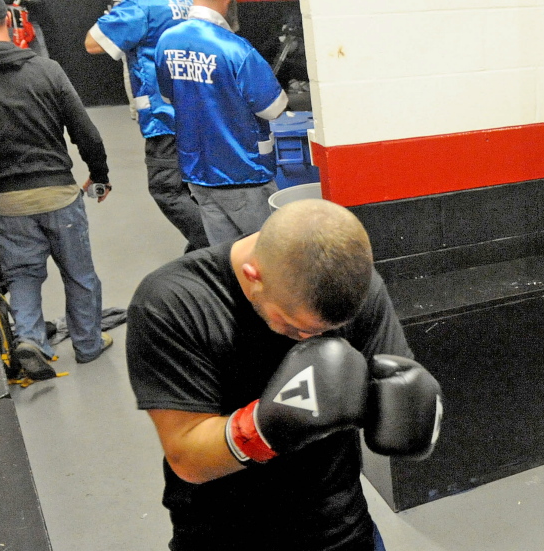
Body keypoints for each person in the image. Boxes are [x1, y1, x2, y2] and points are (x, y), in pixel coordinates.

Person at [126, 198, 440, 550]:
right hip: (223, 537)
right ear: (253, 275)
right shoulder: (173, 303)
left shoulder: (357, 284)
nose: (312, 340)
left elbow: (400, 387)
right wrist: (267, 425)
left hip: (340, 531)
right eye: (295, 328)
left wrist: (410, 411)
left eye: (328, 330)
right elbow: (187, 458)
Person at [0, 0, 114, 380]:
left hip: (4, 199)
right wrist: (98, 174)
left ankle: (31, 341)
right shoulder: (46, 69)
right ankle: (88, 345)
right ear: (9, 20)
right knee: (79, 274)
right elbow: (85, 133)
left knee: (22, 275)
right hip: (58, 193)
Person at [154, 0, 288, 246]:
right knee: (269, 255)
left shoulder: (167, 41)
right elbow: (273, 108)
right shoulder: (235, 49)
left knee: (228, 258)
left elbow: (167, 95)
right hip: (243, 172)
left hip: (197, 172)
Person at [84, 0, 209, 252]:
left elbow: (93, 43)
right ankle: (203, 253)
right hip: (199, 109)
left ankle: (224, 247)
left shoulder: (139, 7)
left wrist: (118, 11)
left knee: (167, 190)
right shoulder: (185, 2)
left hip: (164, 116)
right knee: (195, 190)